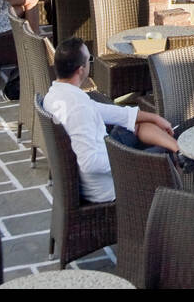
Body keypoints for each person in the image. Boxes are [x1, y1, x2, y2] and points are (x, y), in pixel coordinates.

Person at [44, 38, 179, 203]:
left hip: (104, 151)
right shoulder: (79, 109)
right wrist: (126, 158)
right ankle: (179, 183)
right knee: (165, 156)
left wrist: (155, 118)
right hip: (107, 187)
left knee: (132, 125)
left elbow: (111, 112)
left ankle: (178, 148)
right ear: (81, 70)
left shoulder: (55, 95)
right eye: (89, 60)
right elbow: (90, 163)